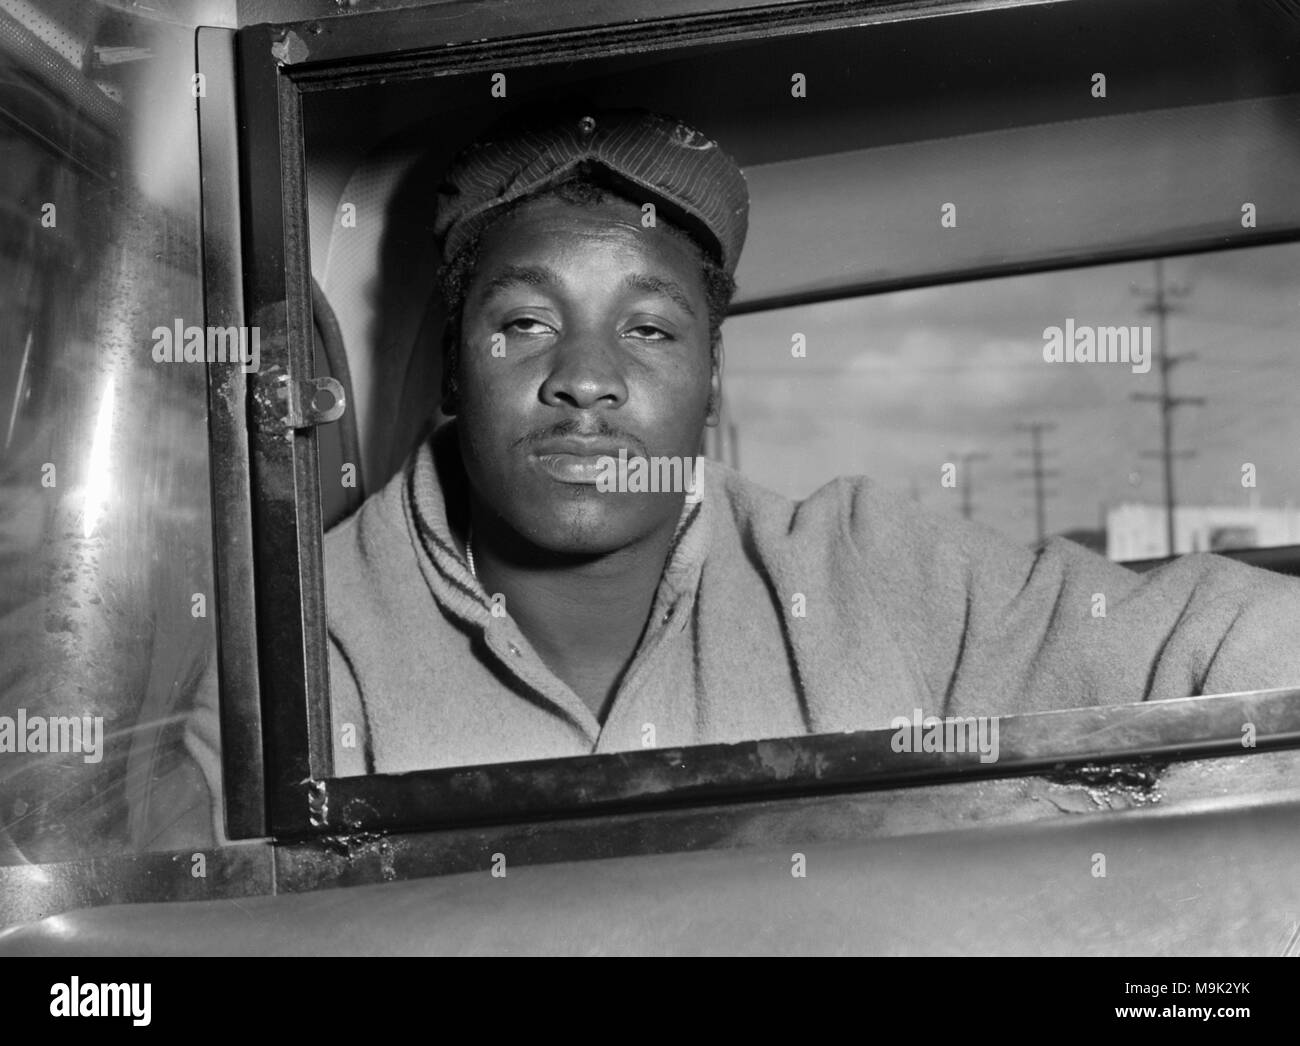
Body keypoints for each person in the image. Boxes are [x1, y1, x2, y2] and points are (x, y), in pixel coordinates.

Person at [183, 107, 1300, 809]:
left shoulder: (874, 570)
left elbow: (1237, 641)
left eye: (650, 329)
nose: (586, 376)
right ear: (449, 370)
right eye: (522, 323)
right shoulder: (300, 655)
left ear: (713, 383)